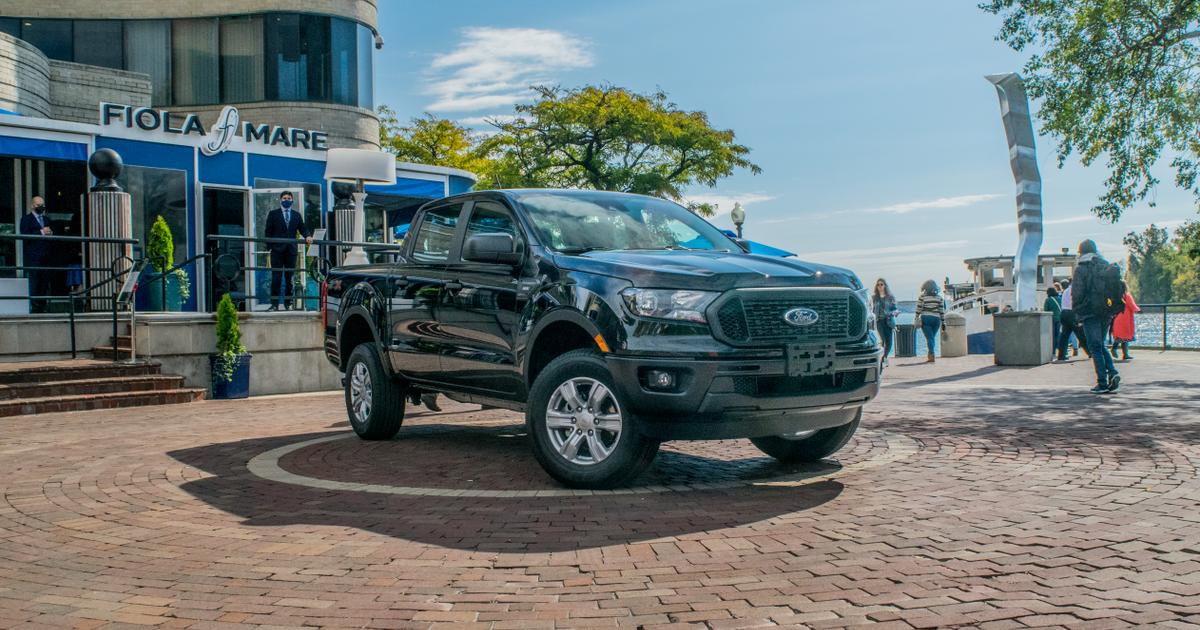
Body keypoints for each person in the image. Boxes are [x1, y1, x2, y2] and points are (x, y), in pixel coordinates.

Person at [1071, 239, 1120, 394]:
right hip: (1106, 311)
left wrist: (1077, 312)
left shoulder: (1081, 268)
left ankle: (1102, 382)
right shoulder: (1104, 264)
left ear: (1081, 252)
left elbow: (1077, 292)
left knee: (1095, 347)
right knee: (1101, 344)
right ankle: (1112, 372)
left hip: (1089, 312)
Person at [263, 191, 311, 311]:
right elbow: (268, 232)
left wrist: (308, 236)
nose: (286, 200)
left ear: (292, 200)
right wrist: (269, 247)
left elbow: (303, 228)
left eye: (289, 198)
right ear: (280, 200)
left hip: (291, 250)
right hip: (277, 251)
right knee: (276, 278)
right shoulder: (273, 214)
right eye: (284, 198)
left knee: (290, 278)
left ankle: (288, 303)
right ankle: (274, 304)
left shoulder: (296, 215)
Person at [18, 196, 53, 313]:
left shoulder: (47, 220)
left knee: (44, 282)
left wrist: (50, 233)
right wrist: (41, 232)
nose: (41, 207)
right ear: (33, 205)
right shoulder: (26, 219)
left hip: (46, 256)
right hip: (33, 257)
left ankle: (42, 306)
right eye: (39, 205)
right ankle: (35, 307)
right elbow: (25, 235)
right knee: (34, 282)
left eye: (43, 204)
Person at [914, 279, 944, 363]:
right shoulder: (939, 298)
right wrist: (943, 322)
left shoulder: (922, 297)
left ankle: (931, 355)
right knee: (932, 338)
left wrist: (916, 317)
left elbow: (919, 308)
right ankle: (931, 354)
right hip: (936, 320)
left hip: (926, 318)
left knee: (930, 338)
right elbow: (941, 310)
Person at [871, 278, 898, 366]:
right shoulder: (874, 298)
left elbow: (895, 308)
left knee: (889, 341)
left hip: (889, 320)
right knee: (883, 340)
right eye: (878, 284)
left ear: (885, 285)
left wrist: (895, 312)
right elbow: (871, 309)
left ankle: (885, 357)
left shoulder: (890, 297)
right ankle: (883, 358)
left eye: (881, 284)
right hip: (879, 321)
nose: (880, 286)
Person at [1109, 282, 1139, 361]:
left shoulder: (1115, 296)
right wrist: (1138, 310)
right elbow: (1132, 305)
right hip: (1125, 318)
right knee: (1125, 336)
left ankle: (1116, 349)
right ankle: (1124, 353)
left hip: (1117, 317)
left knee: (1119, 336)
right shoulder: (1127, 295)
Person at [1044, 285, 1062, 358]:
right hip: (1059, 319)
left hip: (1051, 319)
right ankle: (1061, 351)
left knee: (1052, 336)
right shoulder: (1059, 298)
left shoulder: (1048, 300)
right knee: (1058, 335)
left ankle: (1053, 352)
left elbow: (1046, 310)